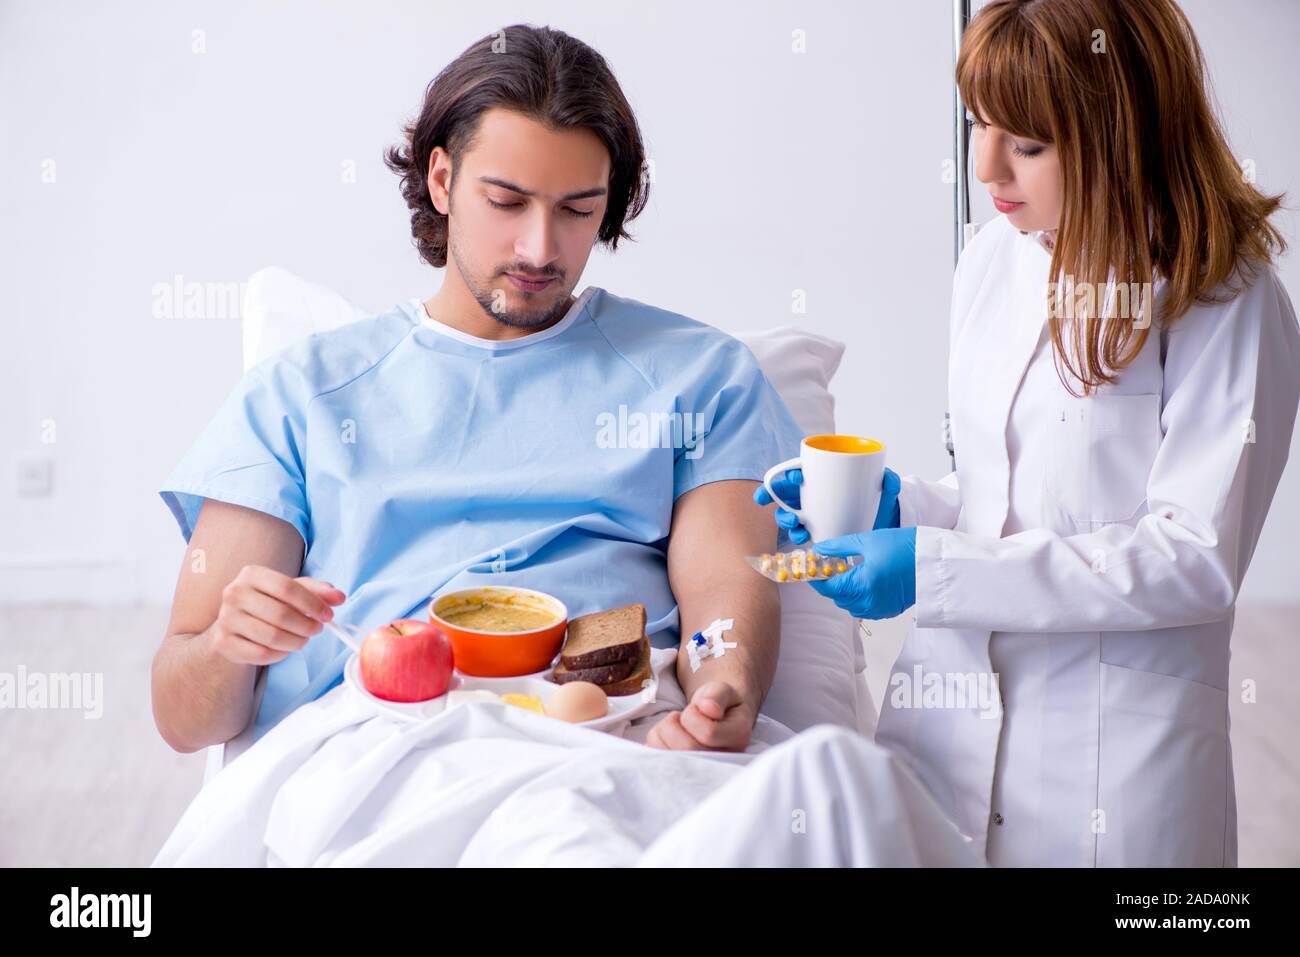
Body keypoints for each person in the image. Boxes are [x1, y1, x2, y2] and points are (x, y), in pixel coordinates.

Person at [153, 25, 804, 756]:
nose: (539, 248)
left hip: (617, 739)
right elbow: (186, 717)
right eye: (506, 201)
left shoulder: (698, 376)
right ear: (441, 180)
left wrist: (725, 685)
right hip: (382, 745)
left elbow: (723, 595)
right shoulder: (303, 394)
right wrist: (226, 644)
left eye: (578, 210)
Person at [758, 0, 1299, 866]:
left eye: (1030, 144)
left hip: (1115, 780)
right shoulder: (993, 259)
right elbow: (1002, 498)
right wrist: (907, 515)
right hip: (943, 739)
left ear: (1120, 130)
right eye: (979, 125)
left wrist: (934, 570)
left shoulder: (1224, 296)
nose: (985, 168)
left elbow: (1192, 557)